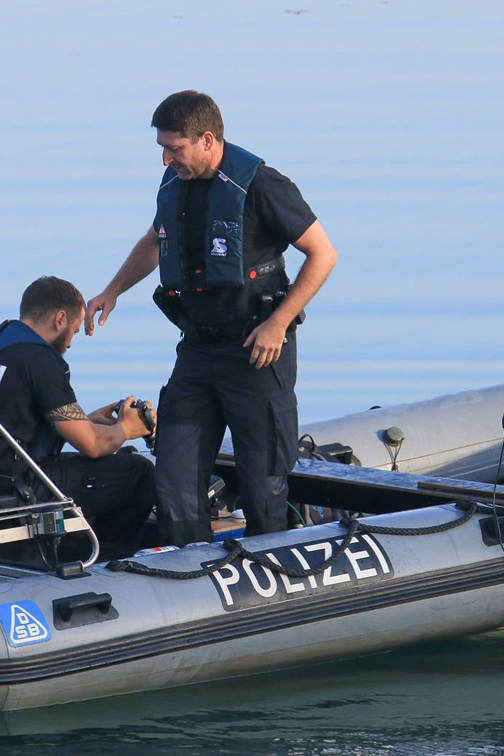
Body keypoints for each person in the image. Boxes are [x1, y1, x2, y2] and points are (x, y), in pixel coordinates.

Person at [84, 90, 337, 545]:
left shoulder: (262, 185)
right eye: (162, 148)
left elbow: (323, 253)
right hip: (197, 353)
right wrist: (112, 290)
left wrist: (278, 322)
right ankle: (187, 569)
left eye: (174, 148)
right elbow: (157, 239)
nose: (166, 159)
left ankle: (272, 563)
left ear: (206, 139)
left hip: (256, 352)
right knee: (174, 478)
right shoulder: (176, 182)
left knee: (262, 485)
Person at [0, 276, 156, 560]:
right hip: (7, 496)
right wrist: (126, 427)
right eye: (74, 331)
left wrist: (87, 421)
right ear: (60, 319)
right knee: (138, 473)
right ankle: (106, 563)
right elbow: (93, 445)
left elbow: (4, 424)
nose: (71, 343)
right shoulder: (40, 359)